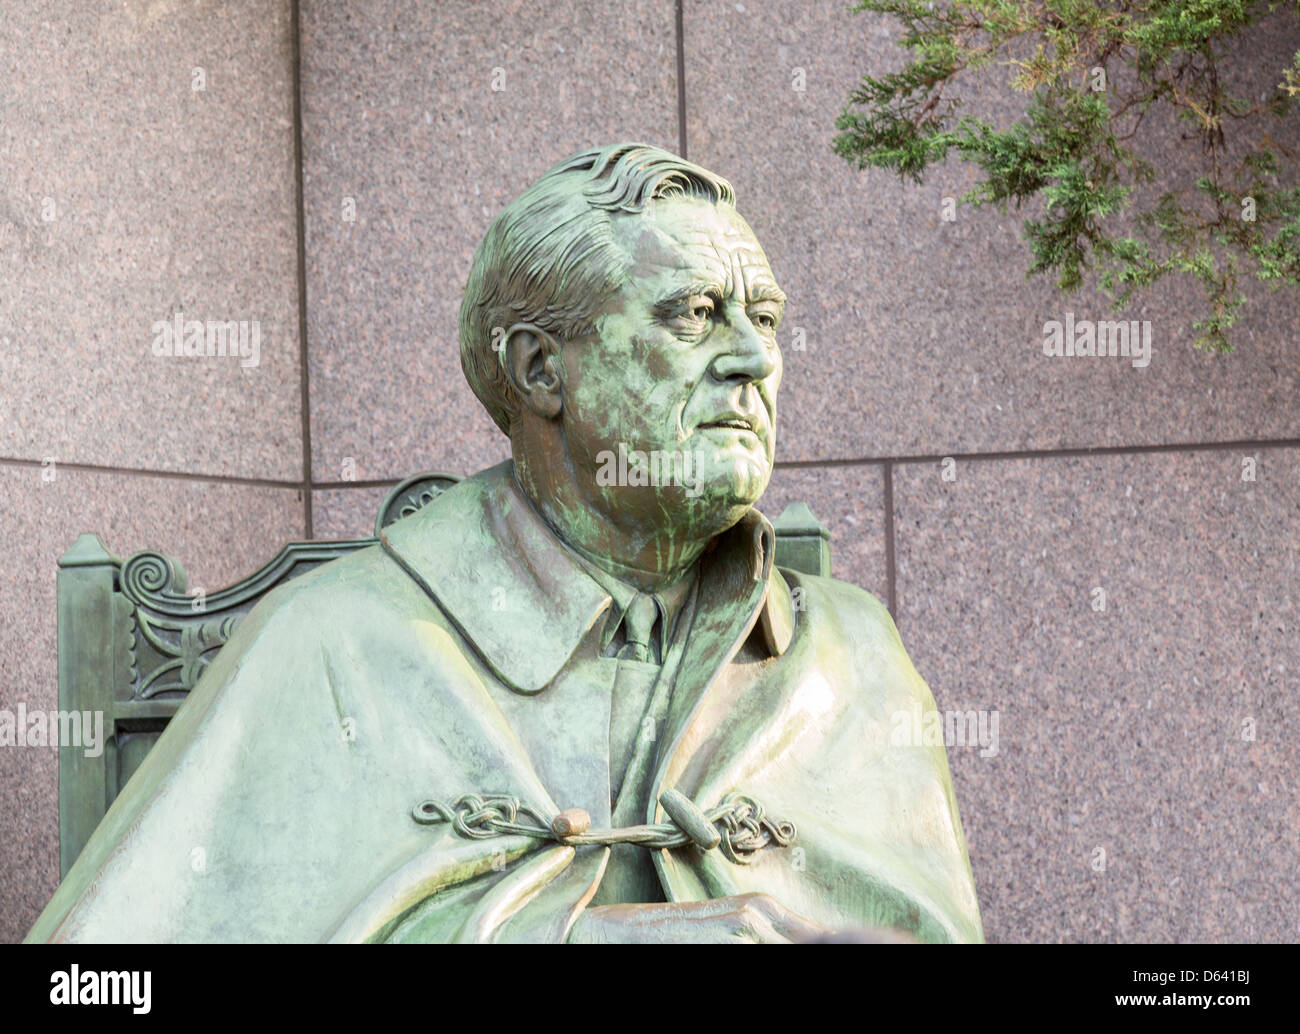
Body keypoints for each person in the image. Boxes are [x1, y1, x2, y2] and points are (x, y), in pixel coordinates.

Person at [27, 143, 983, 943]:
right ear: (538, 368)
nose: (754, 356)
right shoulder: (333, 646)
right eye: (694, 314)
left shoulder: (850, 656)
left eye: (763, 317)